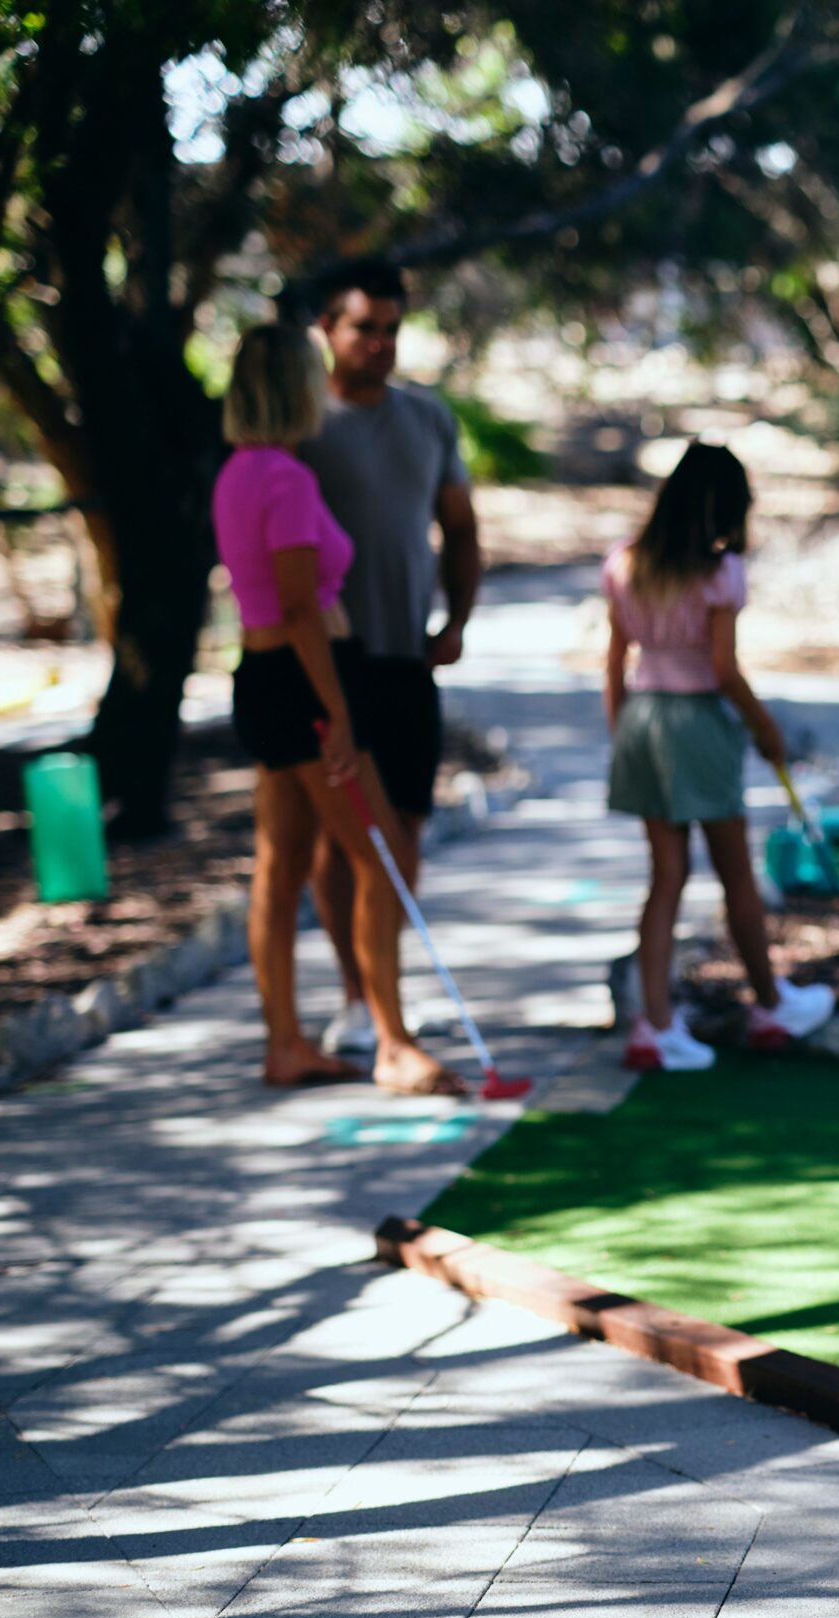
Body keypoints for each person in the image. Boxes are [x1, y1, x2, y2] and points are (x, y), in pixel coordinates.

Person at [213, 322, 464, 1097]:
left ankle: (285, 1044)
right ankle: (393, 1043)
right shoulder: (285, 480)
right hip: (305, 683)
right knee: (378, 854)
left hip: (268, 681)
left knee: (282, 863)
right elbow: (299, 609)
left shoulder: (239, 471)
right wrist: (339, 713)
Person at [298, 260, 483, 1057]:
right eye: (363, 328)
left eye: (390, 330)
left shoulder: (427, 418)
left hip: (409, 657)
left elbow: (461, 528)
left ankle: (385, 993)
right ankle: (358, 999)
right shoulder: (301, 425)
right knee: (339, 840)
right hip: (332, 664)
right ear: (326, 330)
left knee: (404, 830)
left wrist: (457, 620)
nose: (379, 343)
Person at [603, 440, 833, 1067]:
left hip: (642, 719)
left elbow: (615, 659)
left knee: (666, 876)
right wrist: (766, 727)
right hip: (698, 721)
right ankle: (770, 1004)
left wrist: (621, 730)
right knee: (735, 872)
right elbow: (723, 669)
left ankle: (653, 1025)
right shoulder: (720, 572)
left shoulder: (626, 562)